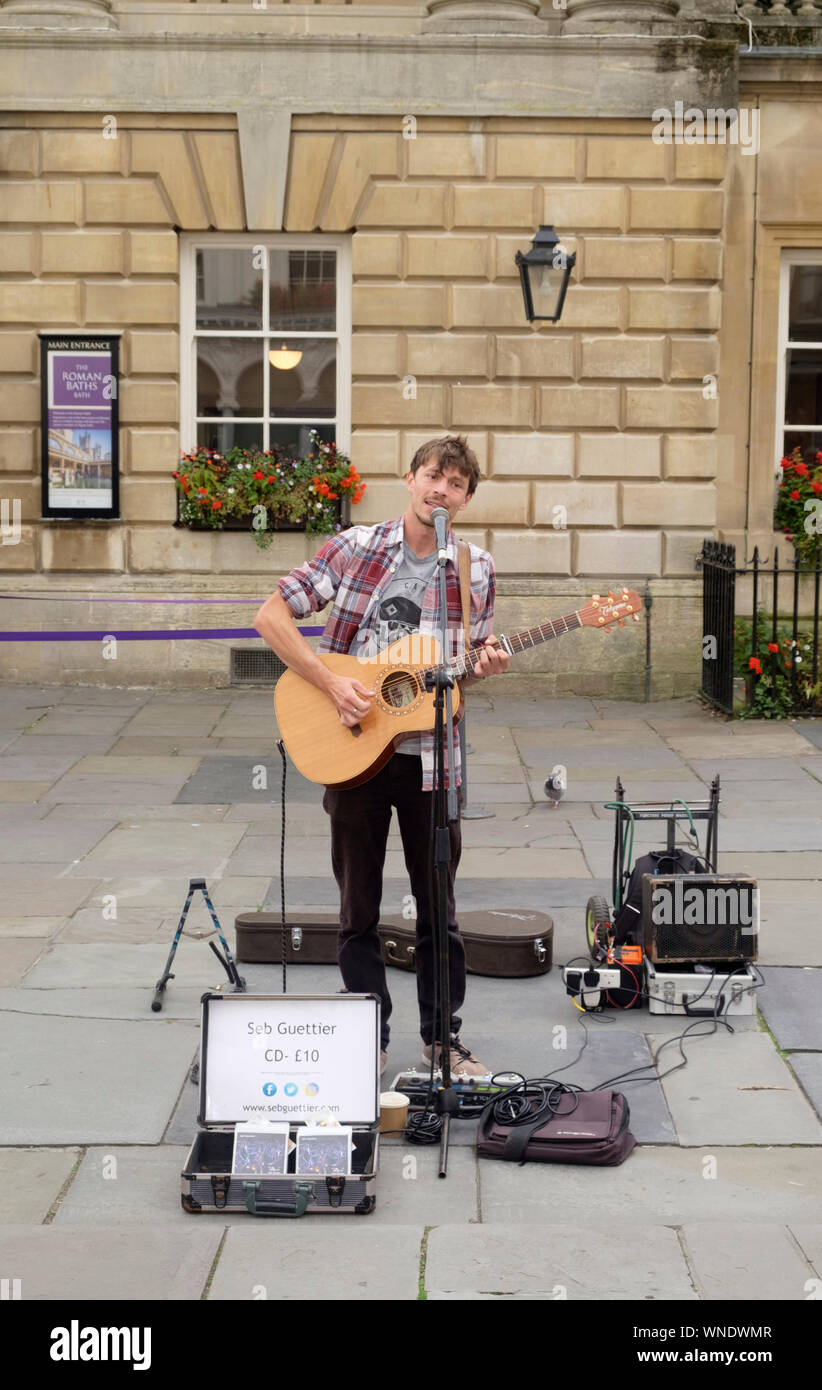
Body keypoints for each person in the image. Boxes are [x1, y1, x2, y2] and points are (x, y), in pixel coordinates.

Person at [253, 435, 510, 1077]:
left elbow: (455, 674)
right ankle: (367, 1034)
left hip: (434, 757)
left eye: (454, 484)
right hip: (352, 743)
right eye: (431, 476)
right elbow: (270, 616)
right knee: (357, 906)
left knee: (438, 911)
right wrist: (330, 682)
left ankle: (441, 1038)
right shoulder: (357, 547)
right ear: (409, 478)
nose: (439, 491)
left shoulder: (474, 569)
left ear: (468, 498)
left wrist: (486, 667)